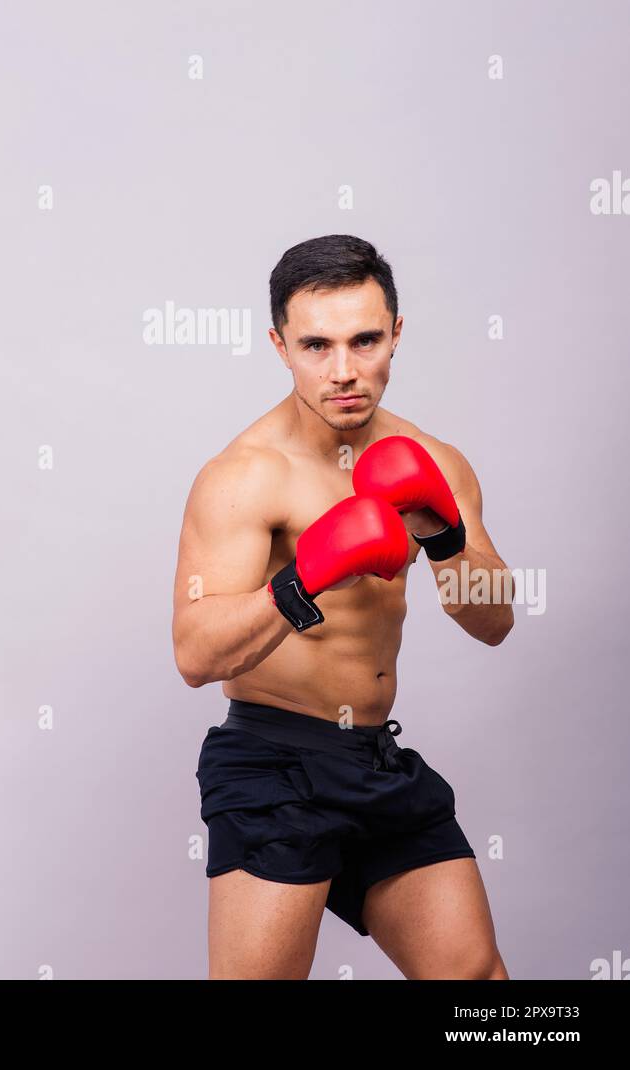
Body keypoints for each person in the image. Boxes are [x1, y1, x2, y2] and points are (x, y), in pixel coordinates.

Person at [173, 234, 513, 980]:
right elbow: (196, 655)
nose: (344, 371)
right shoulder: (244, 476)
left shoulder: (435, 460)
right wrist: (309, 576)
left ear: (396, 331)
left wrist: (445, 534)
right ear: (279, 345)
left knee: (478, 985)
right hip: (272, 764)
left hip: (376, 761)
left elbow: (492, 620)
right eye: (316, 346)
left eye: (364, 341)